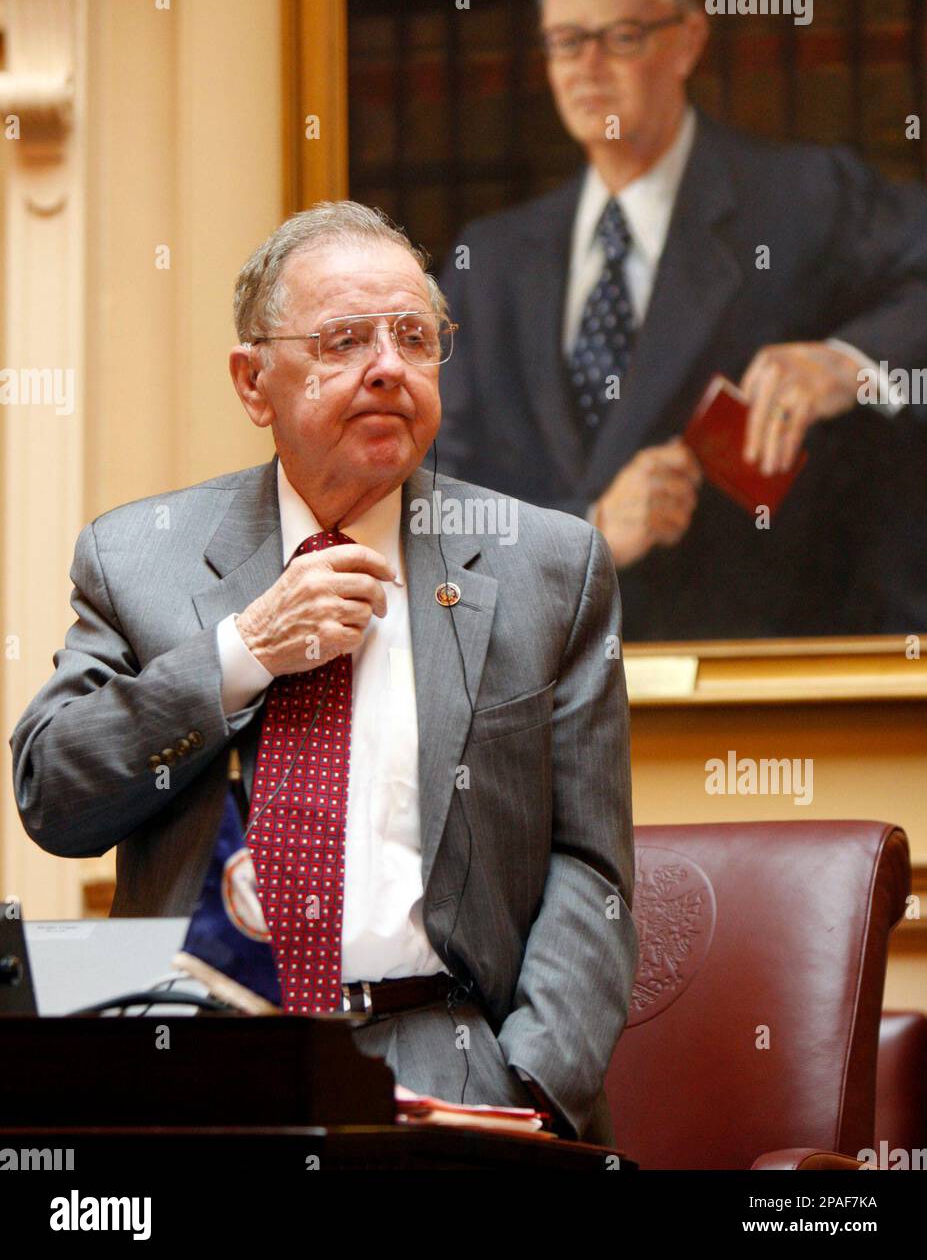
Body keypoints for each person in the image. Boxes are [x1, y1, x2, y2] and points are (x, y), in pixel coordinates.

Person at [10, 201, 638, 1147]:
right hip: (202, 1072)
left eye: (414, 338)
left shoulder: (547, 567)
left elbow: (590, 868)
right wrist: (242, 654)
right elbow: (54, 797)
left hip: (453, 1068)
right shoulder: (142, 558)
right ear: (253, 381)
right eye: (344, 339)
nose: (388, 366)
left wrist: (532, 1090)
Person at [439, 0, 927, 641]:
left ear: (688, 42)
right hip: (544, 700)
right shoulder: (490, 264)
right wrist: (593, 529)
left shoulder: (801, 197)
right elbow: (436, 502)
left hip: (762, 682)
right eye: (566, 41)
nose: (586, 66)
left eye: (621, 37)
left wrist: (847, 364)